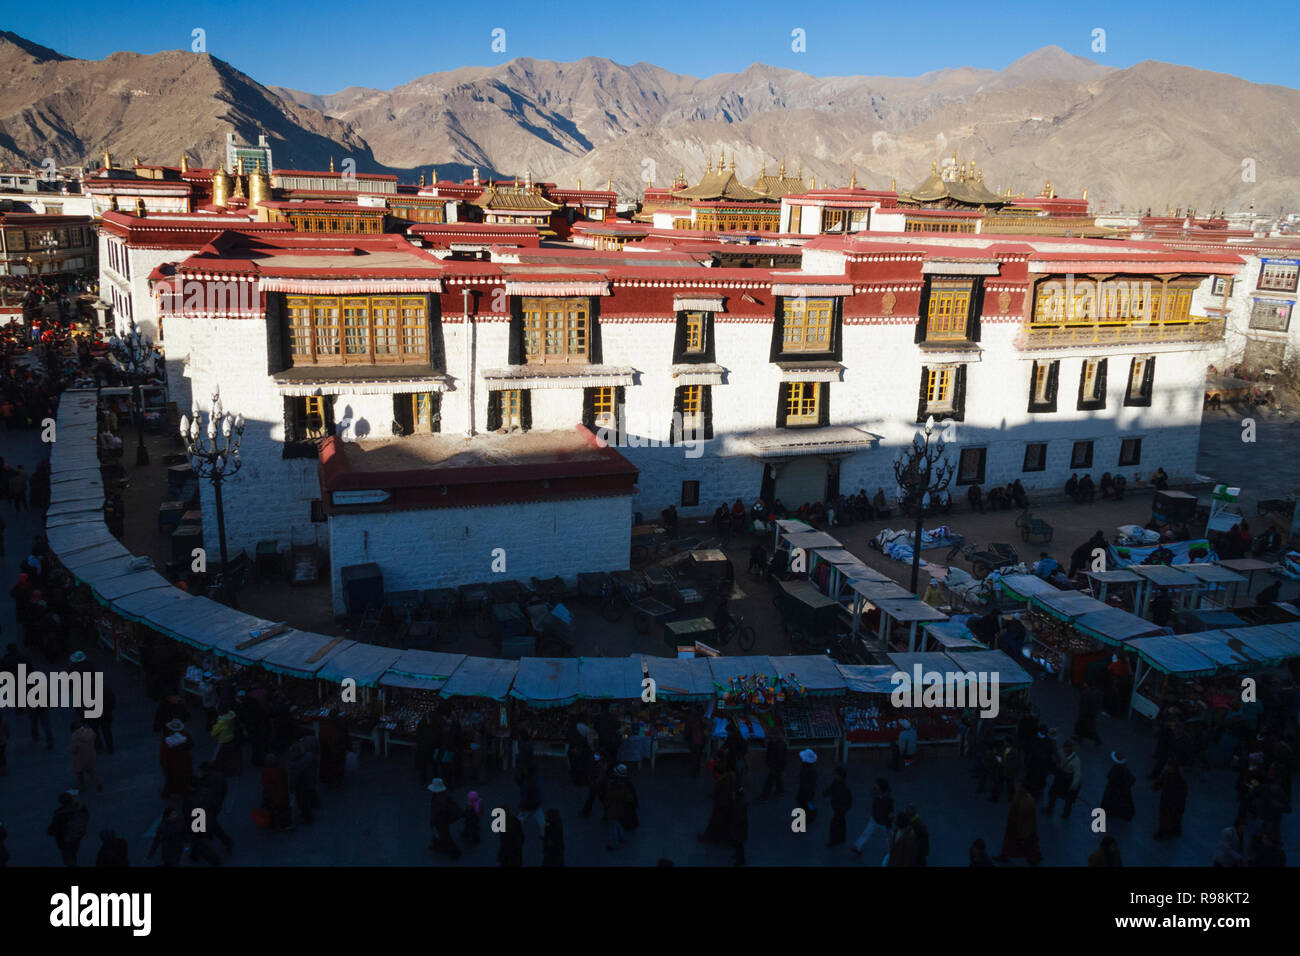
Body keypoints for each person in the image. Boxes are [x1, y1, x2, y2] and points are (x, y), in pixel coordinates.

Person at [994, 782, 1042, 864]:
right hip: (1016, 824)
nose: (1016, 786)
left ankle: (1034, 858)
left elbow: (1024, 815)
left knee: (1026, 843)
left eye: (1018, 785)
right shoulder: (1020, 795)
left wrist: (1019, 827)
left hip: (1021, 826)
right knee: (1012, 842)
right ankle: (1005, 855)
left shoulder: (1027, 799)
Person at [1044, 738, 1083, 818]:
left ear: (1071, 749)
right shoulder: (1062, 751)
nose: (1065, 749)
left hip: (1068, 780)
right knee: (1053, 793)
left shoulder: (1076, 761)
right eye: (1064, 747)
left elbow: (1077, 774)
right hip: (1060, 776)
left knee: (1068, 799)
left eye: (1067, 747)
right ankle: (1050, 808)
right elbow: (1056, 757)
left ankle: (1066, 814)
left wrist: (1073, 786)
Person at [48, 790, 89, 867]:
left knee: (68, 859)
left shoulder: (60, 814)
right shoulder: (80, 809)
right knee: (73, 854)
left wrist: (51, 830)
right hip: (77, 836)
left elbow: (54, 829)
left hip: (65, 839)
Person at [700, 766, 737, 843]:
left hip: (722, 807)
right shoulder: (729, 778)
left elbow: (722, 797)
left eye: (714, 774)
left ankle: (708, 838)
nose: (714, 776)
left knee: (715, 823)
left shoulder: (724, 782)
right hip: (726, 807)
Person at [159, 718, 193, 798]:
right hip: (184, 761)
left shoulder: (166, 742)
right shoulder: (185, 735)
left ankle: (169, 792)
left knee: (171, 778)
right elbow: (190, 745)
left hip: (172, 763)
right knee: (183, 776)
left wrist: (164, 766)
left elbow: (163, 755)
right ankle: (182, 790)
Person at [1154, 761, 1188, 839]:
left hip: (1169, 801)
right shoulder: (1176, 778)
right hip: (1173, 801)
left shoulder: (1172, 777)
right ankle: (1174, 830)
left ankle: (1162, 833)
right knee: (1174, 816)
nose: (1165, 767)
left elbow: (1157, 785)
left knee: (1165, 817)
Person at [427, 778, 460, 857]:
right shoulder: (445, 796)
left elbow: (435, 811)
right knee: (444, 834)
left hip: (441, 820)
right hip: (443, 820)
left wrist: (432, 821)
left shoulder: (438, 799)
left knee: (445, 835)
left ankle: (453, 851)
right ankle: (444, 847)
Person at [1100, 750, 1136, 821]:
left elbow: (1111, 776)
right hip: (1121, 789)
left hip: (1114, 789)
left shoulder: (1117, 768)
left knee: (1111, 800)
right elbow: (1131, 779)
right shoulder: (1123, 768)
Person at [260, 754, 292, 831]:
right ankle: (285, 824)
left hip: (273, 796)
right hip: (281, 795)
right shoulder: (281, 770)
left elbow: (265, 785)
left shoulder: (266, 772)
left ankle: (273, 824)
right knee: (283, 810)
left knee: (273, 810)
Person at [68, 720, 102, 793]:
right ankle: (98, 783)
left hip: (79, 759)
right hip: (90, 756)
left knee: (79, 774)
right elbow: (95, 736)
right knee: (91, 771)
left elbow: (73, 750)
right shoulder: (89, 731)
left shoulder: (74, 738)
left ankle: (81, 787)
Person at [603, 763, 631, 851]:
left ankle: (614, 844)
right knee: (617, 824)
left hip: (613, 809)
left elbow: (609, 797)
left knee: (613, 827)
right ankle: (622, 838)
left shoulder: (614, 786)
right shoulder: (625, 785)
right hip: (620, 809)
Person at [824, 765, 853, 847]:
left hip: (840, 808)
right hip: (839, 807)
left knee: (834, 823)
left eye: (836, 775)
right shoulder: (837, 784)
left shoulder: (843, 788)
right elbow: (830, 789)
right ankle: (842, 837)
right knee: (841, 822)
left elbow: (831, 790)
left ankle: (833, 840)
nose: (835, 776)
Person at [517, 763, 545, 837]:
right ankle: (543, 834)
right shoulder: (538, 779)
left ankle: (515, 832)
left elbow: (523, 794)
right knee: (541, 819)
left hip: (527, 804)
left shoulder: (525, 782)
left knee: (520, 818)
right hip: (536, 803)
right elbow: (539, 791)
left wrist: (521, 803)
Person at [760, 732, 788, 799]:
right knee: (778, 777)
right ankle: (780, 790)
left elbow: (778, 756)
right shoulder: (778, 743)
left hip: (775, 764)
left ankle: (766, 794)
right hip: (777, 764)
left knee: (770, 779)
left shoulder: (776, 744)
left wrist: (771, 764)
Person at [731, 784, 749, 866]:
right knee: (737, 843)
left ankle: (740, 860)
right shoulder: (742, 800)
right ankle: (738, 857)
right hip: (740, 826)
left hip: (739, 827)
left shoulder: (739, 803)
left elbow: (738, 815)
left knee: (739, 844)